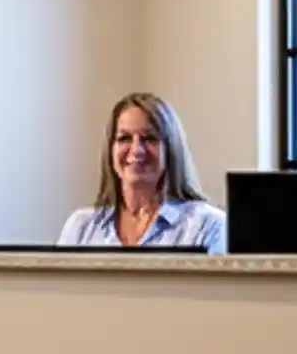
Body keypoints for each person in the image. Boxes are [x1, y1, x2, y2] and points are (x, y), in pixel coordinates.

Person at [58, 92, 227, 254]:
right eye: (124, 138)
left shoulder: (207, 225)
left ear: (171, 149)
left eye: (149, 138)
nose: (137, 150)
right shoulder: (81, 227)